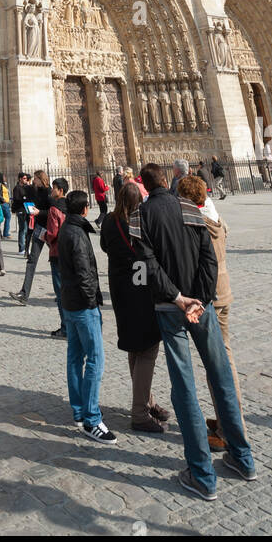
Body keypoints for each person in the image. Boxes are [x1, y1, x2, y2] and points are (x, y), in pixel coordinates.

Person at [138, 163, 255, 499]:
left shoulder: (141, 215)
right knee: (221, 376)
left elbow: (147, 267)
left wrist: (178, 299)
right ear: (167, 180)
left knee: (184, 386)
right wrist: (199, 300)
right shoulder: (190, 208)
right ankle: (242, 458)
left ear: (144, 185)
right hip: (202, 308)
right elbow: (209, 259)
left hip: (169, 308)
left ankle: (202, 475)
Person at [178, 174, 244, 452]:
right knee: (223, 359)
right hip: (223, 293)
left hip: (209, 299)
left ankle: (230, 429)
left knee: (219, 366)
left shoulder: (198, 225)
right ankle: (225, 419)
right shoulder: (215, 217)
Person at [99, 182, 168, 434]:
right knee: (147, 349)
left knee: (134, 346)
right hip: (141, 292)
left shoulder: (109, 221)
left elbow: (104, 247)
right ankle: (140, 412)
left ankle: (146, 402)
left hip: (120, 291)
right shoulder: (142, 221)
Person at [57, 190, 116, 445]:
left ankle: (79, 411)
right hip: (82, 306)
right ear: (85, 209)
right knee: (95, 360)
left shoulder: (66, 229)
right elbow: (84, 273)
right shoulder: (77, 234)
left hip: (69, 303)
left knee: (74, 358)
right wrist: (92, 302)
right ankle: (92, 419)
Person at [10, 169, 51, 305]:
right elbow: (23, 194)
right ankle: (24, 293)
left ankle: (64, 291)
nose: (33, 181)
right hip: (39, 229)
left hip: (49, 230)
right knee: (32, 260)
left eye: (35, 178)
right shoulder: (35, 190)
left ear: (41, 179)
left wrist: (40, 212)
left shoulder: (49, 192)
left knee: (60, 260)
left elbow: (53, 211)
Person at [44, 178, 69, 337]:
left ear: (60, 190)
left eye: (53, 188)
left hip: (57, 253)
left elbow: (52, 234)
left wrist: (44, 236)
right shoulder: (71, 206)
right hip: (70, 252)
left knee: (60, 293)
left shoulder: (54, 209)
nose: (51, 190)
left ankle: (65, 327)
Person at [11, 171, 32, 255]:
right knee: (22, 229)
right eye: (24, 178)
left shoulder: (26, 187)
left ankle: (26, 247)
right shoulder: (17, 188)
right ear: (20, 179)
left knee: (27, 230)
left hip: (26, 210)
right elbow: (16, 199)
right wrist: (24, 198)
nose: (26, 180)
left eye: (26, 178)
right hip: (20, 210)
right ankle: (21, 248)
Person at [0, 173, 12, 239]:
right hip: (2, 203)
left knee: (5, 217)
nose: (5, 178)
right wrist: (3, 199)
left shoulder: (3, 184)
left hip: (5, 203)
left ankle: (3, 233)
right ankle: (5, 233)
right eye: (4, 177)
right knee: (5, 217)